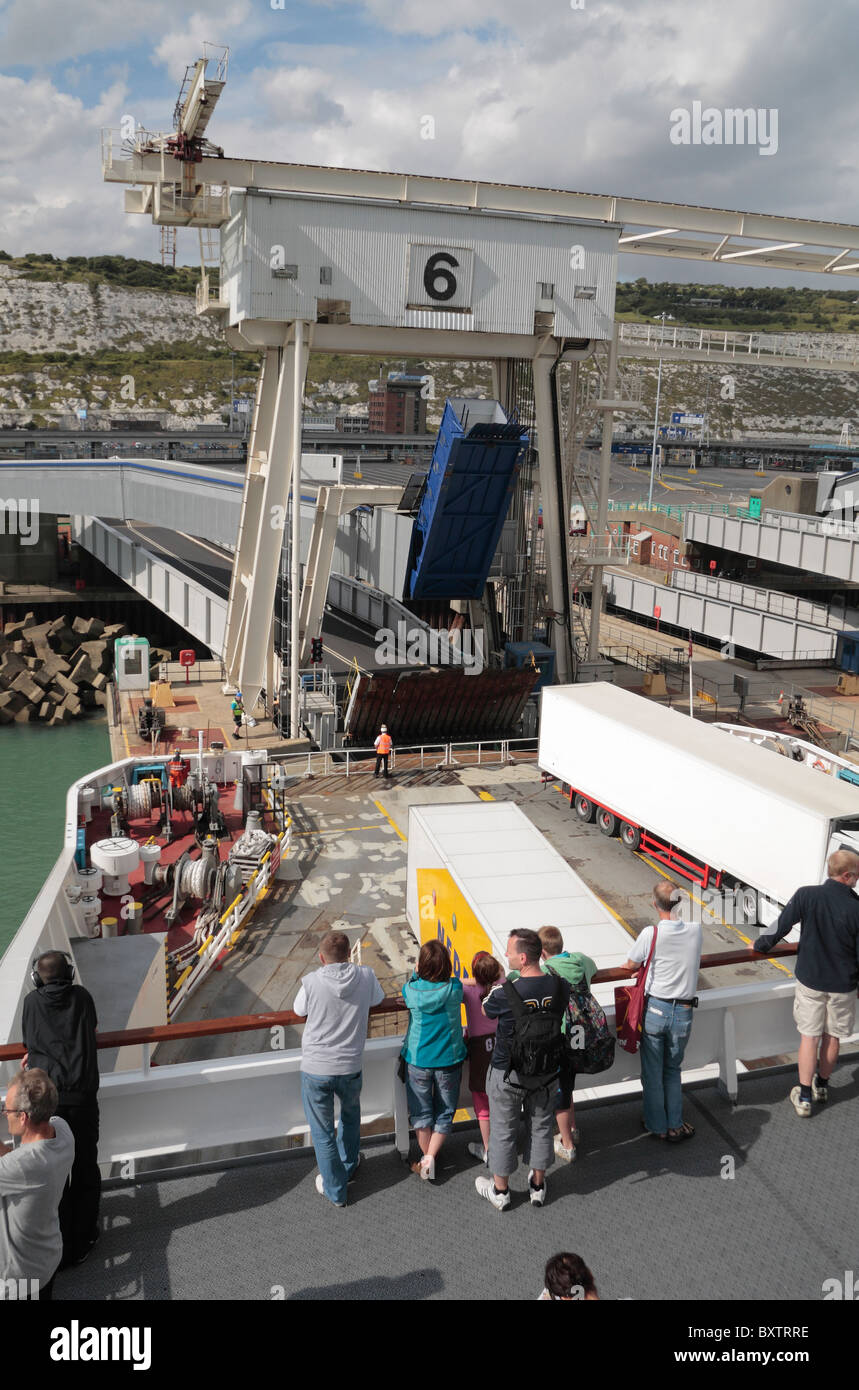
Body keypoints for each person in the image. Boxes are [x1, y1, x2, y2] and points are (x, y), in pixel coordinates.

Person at [753, 848, 859, 1117]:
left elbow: (781, 927)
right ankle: (822, 1086)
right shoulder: (857, 907)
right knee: (832, 1037)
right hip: (843, 984)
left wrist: (760, 945)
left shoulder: (807, 895)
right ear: (847, 875)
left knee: (809, 1038)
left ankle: (804, 1097)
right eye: (857, 875)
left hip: (811, 980)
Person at [476, 929, 570, 1211]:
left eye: (509, 952)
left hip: (508, 1072)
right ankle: (538, 1186)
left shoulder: (507, 992)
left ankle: (501, 1191)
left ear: (524, 957)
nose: (505, 956)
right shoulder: (559, 986)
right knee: (541, 1127)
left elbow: (485, 1011)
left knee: (503, 1131)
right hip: (547, 1071)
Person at [293, 930, 384, 1208]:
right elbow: (378, 1000)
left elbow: (298, 1011)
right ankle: (348, 1164)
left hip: (317, 1067)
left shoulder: (311, 982)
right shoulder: (366, 976)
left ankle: (336, 1189)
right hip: (350, 1065)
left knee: (322, 1131)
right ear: (349, 955)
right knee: (350, 1116)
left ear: (321, 958)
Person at [22, 950, 101, 1266]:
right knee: (84, 1167)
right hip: (81, 1097)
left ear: (37, 978)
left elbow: (30, 1041)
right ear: (68, 975)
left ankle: (55, 1244)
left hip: (45, 1102)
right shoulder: (81, 997)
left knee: (52, 1174)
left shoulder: (30, 1003)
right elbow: (91, 1032)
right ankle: (81, 1242)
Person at [621, 882, 703, 1142]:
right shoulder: (695, 931)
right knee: (672, 1070)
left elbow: (631, 964)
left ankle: (657, 1126)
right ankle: (675, 1125)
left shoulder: (651, 934)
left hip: (656, 1009)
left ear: (655, 905)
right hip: (684, 1012)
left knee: (653, 1072)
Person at [0, 1069, 75, 1299]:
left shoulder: (22, 1166)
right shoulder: (62, 1130)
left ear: (23, 1117)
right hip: (47, 1257)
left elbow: (16, 1165)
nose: (4, 1113)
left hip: (19, 1281)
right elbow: (13, 1163)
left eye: (8, 1110)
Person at [402, 940, 467, 1181]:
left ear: (421, 966)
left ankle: (427, 1159)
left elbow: (408, 985)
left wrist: (415, 971)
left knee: (421, 1114)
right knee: (445, 1111)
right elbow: (459, 984)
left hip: (418, 1060)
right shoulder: (453, 989)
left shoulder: (411, 991)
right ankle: (431, 1157)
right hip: (449, 1060)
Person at [538, 925, 597, 1163]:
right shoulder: (580, 961)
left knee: (559, 1090)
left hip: (560, 1035)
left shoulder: (546, 971)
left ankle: (567, 1144)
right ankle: (572, 1128)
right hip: (580, 1031)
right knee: (569, 1080)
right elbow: (594, 968)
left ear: (542, 951)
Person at [462, 951, 503, 1166]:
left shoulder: (468, 990)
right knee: (503, 1099)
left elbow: (448, 983)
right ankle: (505, 1144)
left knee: (482, 1103)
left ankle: (488, 1149)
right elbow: (504, 973)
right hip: (501, 1045)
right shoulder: (503, 985)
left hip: (479, 1050)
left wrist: (472, 979)